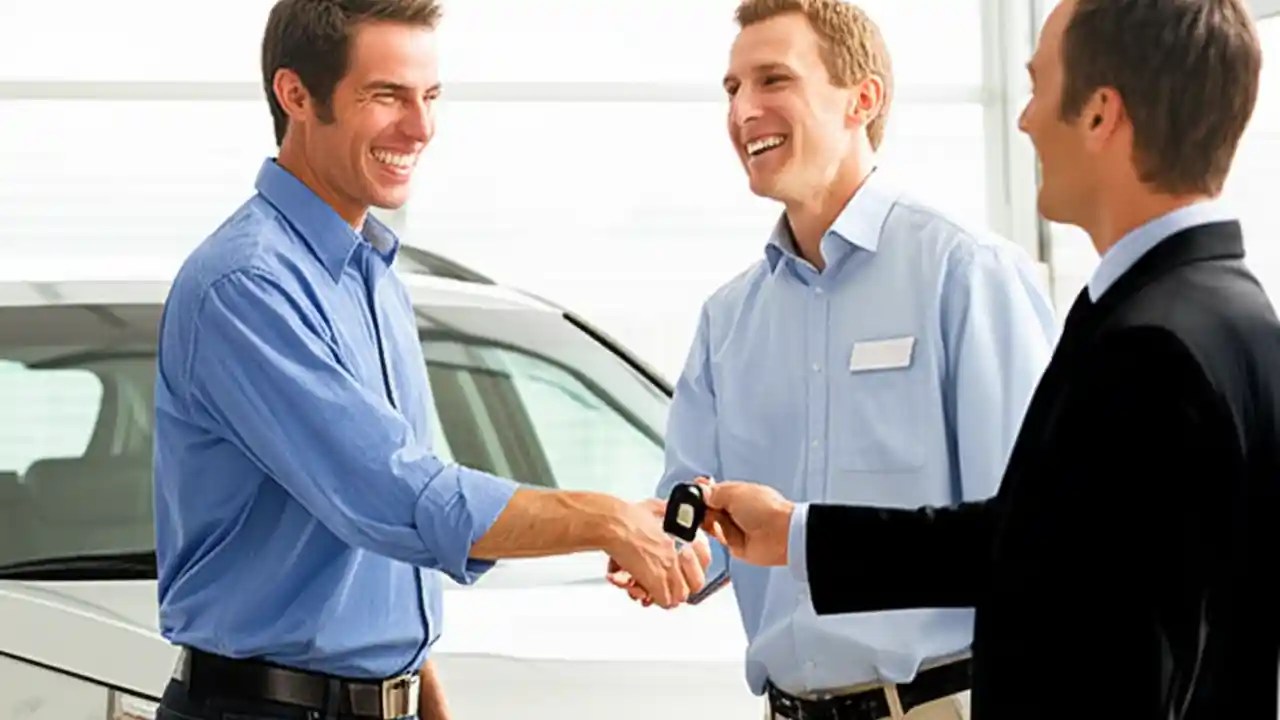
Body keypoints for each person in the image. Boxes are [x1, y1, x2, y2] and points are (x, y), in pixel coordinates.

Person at [691, 0, 1275, 718]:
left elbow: (1047, 570)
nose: (1023, 119)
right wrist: (793, 535)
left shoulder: (1146, 341)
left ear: (1100, 113)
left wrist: (800, 535)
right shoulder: (1228, 314)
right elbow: (1034, 538)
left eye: (1038, 87)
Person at [150, 2, 709, 719]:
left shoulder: (373, 274)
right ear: (296, 95)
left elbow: (385, 535)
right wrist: (608, 520)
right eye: (387, 96)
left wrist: (414, 688)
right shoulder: (247, 287)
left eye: (430, 96)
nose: (421, 128)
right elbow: (392, 495)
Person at [608, 1, 1056, 718]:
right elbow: (696, 530)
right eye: (732, 88)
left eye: (773, 80)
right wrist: (663, 551)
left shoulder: (967, 275)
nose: (743, 111)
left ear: (862, 99)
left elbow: (1035, 533)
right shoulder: (728, 320)